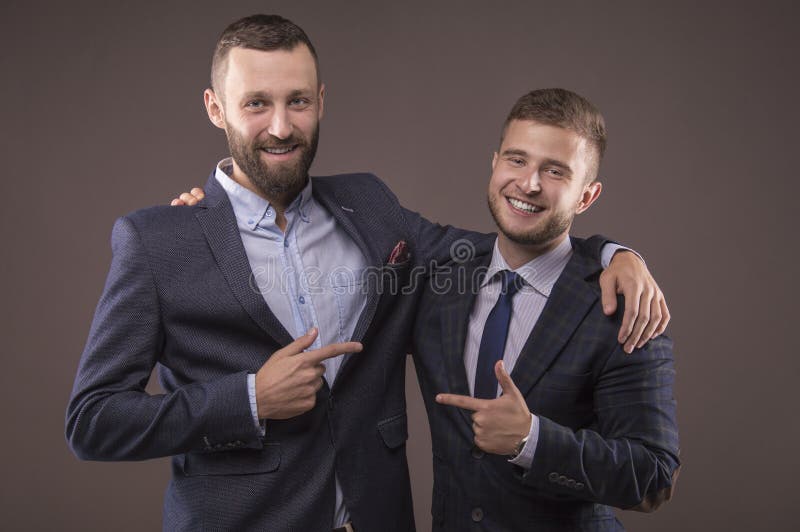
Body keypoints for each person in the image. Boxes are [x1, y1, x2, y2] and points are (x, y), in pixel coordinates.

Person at [66, 15, 667, 531]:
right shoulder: (158, 240)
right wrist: (248, 399)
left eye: (297, 101)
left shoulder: (371, 207)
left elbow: (501, 245)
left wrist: (614, 253)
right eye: (256, 103)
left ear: (320, 101)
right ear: (215, 106)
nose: (280, 126)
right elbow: (93, 421)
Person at [417, 88, 679, 530]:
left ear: (586, 197)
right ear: (494, 163)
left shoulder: (625, 306)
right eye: (517, 160)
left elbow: (652, 476)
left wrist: (531, 440)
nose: (529, 183)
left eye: (555, 171)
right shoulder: (439, 278)